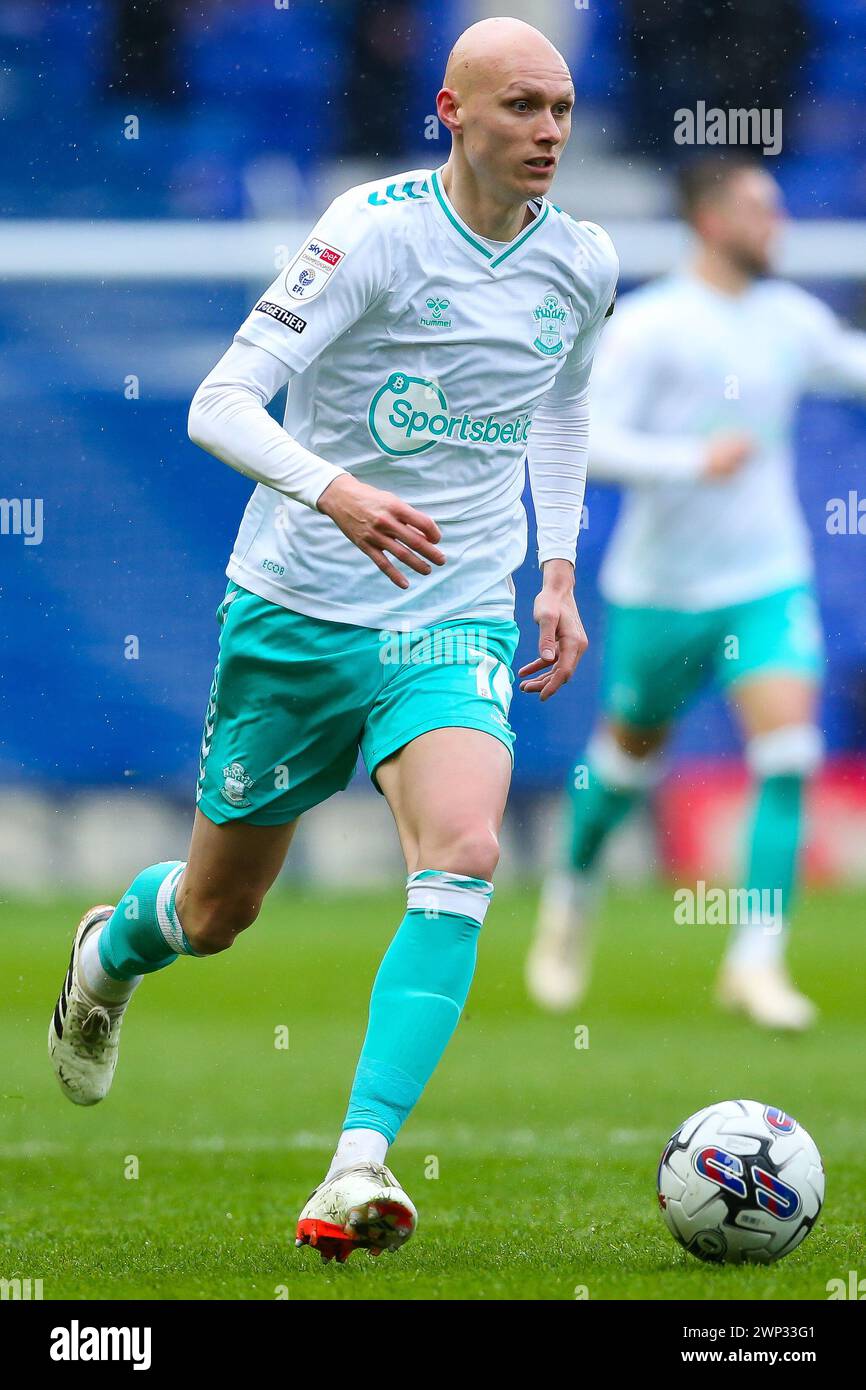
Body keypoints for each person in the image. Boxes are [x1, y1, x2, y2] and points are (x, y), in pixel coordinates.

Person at [49, 17, 617, 1263]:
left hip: (453, 608)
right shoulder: (371, 229)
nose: (548, 132)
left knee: (462, 848)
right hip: (298, 607)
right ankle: (110, 952)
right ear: (450, 111)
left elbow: (562, 405)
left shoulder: (581, 263)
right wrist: (338, 493)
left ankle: (358, 1159)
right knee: (214, 911)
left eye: (562, 108)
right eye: (521, 107)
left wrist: (558, 567)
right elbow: (219, 404)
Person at [527, 156, 866, 1031]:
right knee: (626, 760)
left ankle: (756, 961)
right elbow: (587, 444)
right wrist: (691, 462)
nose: (778, 224)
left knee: (789, 753)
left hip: (766, 582)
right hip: (662, 590)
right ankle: (571, 896)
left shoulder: (790, 318)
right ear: (713, 221)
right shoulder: (651, 327)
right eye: (762, 209)